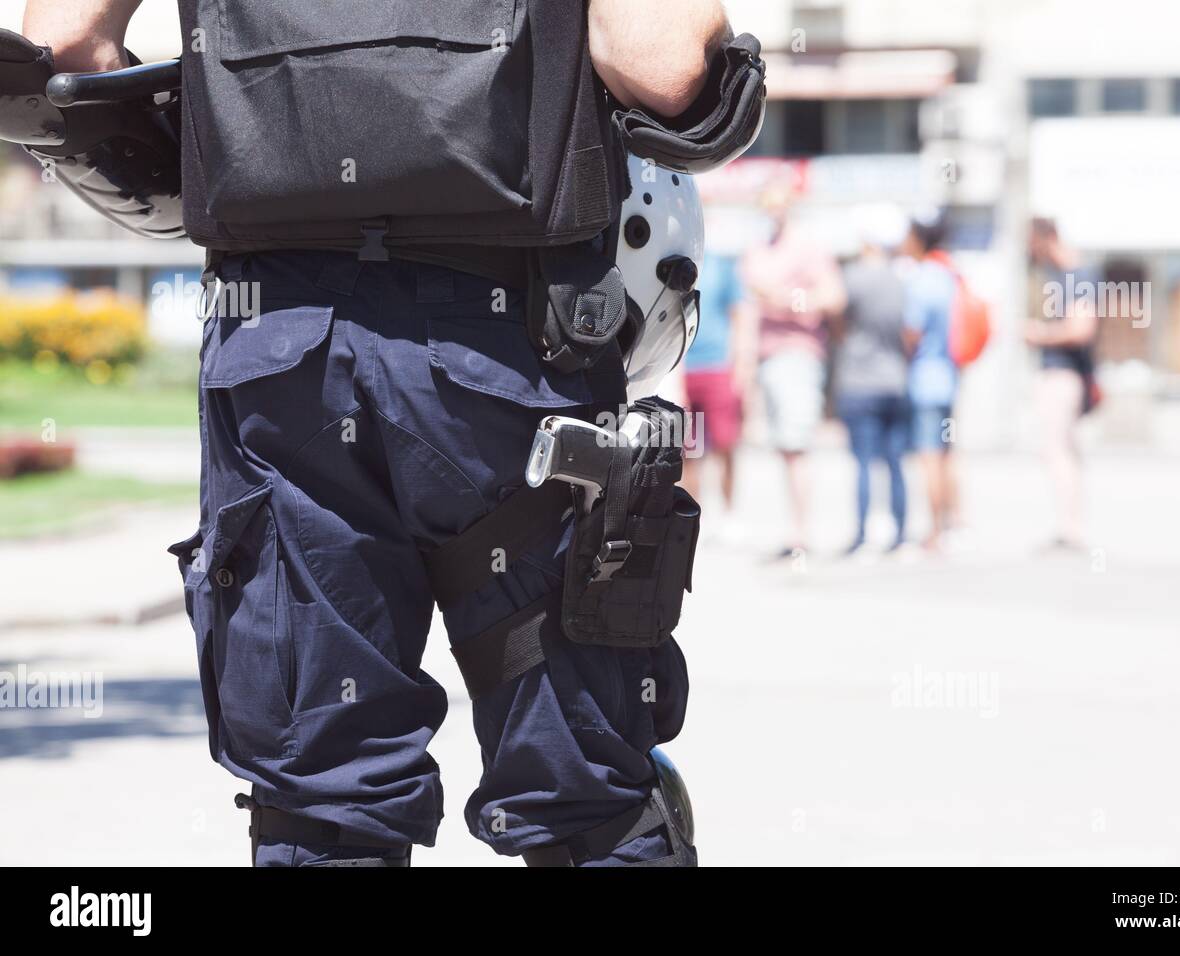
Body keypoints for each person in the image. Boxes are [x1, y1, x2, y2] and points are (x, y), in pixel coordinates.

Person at [22, 0, 735, 867]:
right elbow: (658, 65)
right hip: (510, 346)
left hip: (279, 349)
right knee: (589, 796)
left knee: (324, 803)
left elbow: (61, 48)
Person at [740, 188, 846, 560]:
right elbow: (753, 301)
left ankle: (801, 534)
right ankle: (794, 530)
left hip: (797, 354)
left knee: (797, 444)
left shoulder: (809, 247)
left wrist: (786, 301)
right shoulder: (759, 248)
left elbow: (833, 299)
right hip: (770, 356)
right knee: (784, 447)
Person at [832, 207, 910, 555]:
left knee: (863, 462)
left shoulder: (852, 277)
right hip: (895, 380)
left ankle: (862, 535)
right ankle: (900, 535)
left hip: (859, 381)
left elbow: (837, 323)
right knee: (895, 462)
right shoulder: (902, 278)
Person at [1024, 218, 1098, 551]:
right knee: (1062, 451)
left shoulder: (1075, 277)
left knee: (1058, 452)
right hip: (1063, 376)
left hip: (1062, 376)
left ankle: (1070, 530)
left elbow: (1081, 329)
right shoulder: (1063, 277)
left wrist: (1040, 334)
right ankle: (1069, 526)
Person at [899, 212, 959, 552]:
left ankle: (935, 531)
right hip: (948, 376)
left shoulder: (921, 280)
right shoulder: (947, 276)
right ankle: (951, 524)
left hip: (924, 380)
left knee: (930, 458)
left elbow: (912, 333)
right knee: (947, 455)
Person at [682, 251, 745, 533]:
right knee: (688, 449)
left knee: (725, 444)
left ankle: (730, 513)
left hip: (718, 365)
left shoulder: (721, 264)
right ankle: (695, 515)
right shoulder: (675, 261)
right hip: (683, 366)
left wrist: (742, 369)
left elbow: (739, 316)